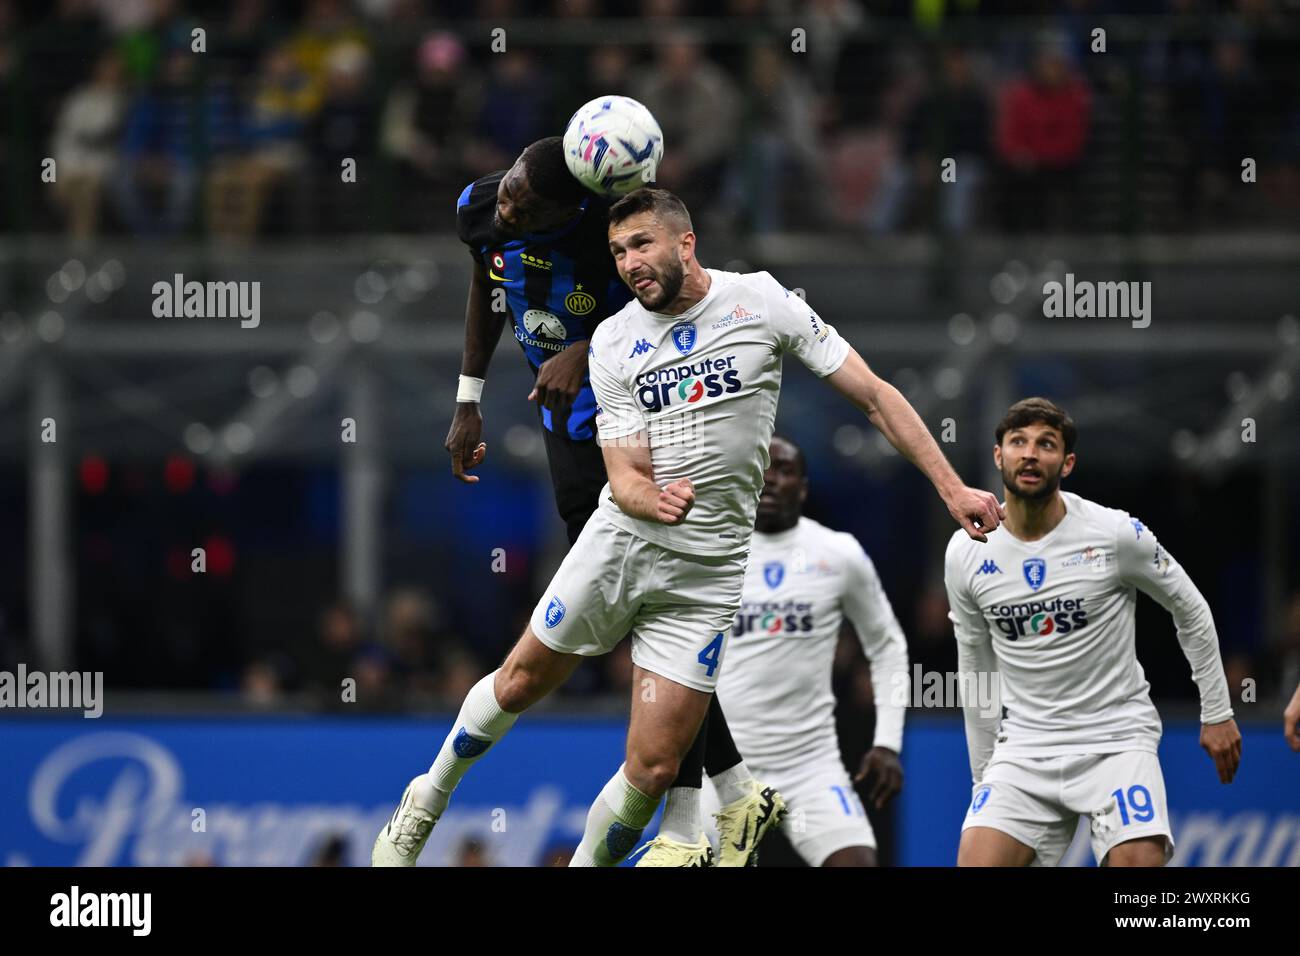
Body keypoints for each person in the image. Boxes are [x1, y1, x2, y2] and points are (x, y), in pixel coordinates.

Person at [373, 187, 1001, 867]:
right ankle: (426, 798)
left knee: (651, 770)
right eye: (617, 252)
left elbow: (875, 395)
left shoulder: (760, 301)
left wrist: (951, 486)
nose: (629, 263)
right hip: (622, 543)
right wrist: (651, 499)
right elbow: (625, 473)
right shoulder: (613, 340)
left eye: (641, 245)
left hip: (705, 575)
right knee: (520, 682)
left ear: (685, 243)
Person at [447, 136, 775, 867]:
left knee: (651, 614)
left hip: (640, 434)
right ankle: (730, 794)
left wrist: (585, 348)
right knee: (643, 620)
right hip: (565, 429)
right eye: (507, 192)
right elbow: (486, 282)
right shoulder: (479, 208)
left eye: (525, 205)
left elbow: (669, 308)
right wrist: (469, 398)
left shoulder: (608, 238)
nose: (506, 208)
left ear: (567, 209)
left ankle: (694, 822)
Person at [945, 397, 1241, 867]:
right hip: (1024, 751)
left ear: (1067, 463)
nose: (1030, 454)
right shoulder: (967, 551)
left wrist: (1218, 710)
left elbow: (1191, 608)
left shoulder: (1115, 533)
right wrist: (984, 776)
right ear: (999, 455)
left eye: (1046, 444)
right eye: (1018, 442)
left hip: (1116, 741)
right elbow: (975, 663)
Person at [654, 435, 909, 867]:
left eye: (785, 470)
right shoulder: (709, 551)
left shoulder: (838, 554)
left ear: (803, 488)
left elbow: (887, 644)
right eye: (763, 468)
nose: (771, 479)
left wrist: (887, 742)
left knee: (857, 862)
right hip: (719, 769)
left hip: (810, 765)